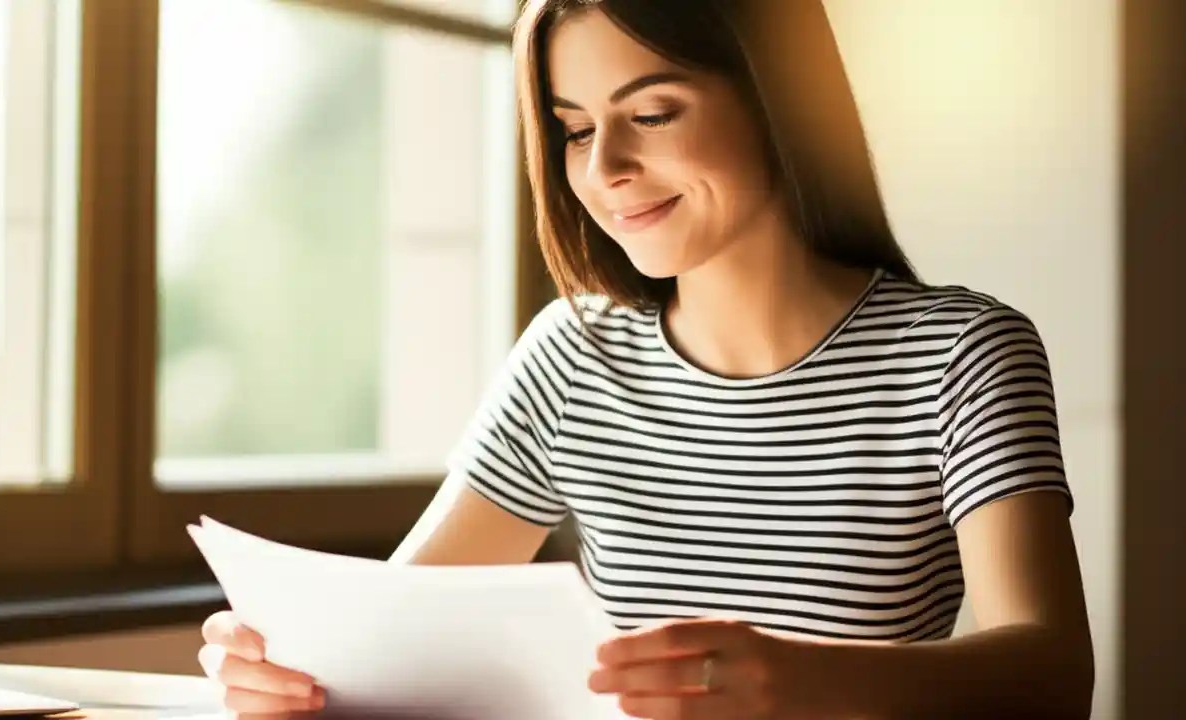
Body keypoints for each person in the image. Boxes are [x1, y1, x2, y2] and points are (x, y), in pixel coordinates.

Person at [197, 1, 1095, 717]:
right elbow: (392, 635)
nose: (605, 168)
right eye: (576, 129)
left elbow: (1053, 676)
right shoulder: (571, 355)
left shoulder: (962, 354)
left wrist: (796, 684)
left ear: (781, 98)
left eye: (653, 113)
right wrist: (287, 672)